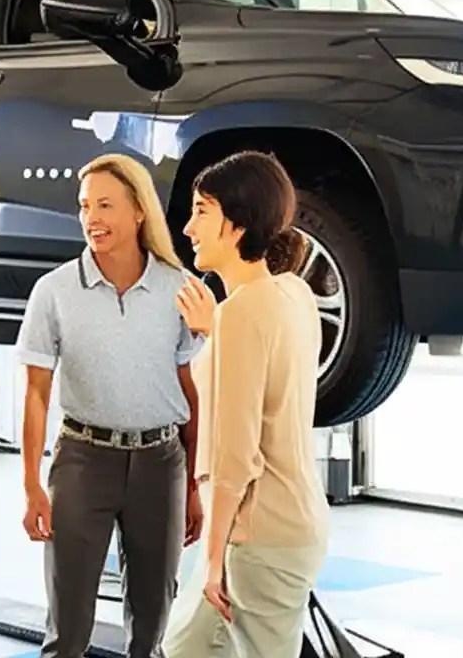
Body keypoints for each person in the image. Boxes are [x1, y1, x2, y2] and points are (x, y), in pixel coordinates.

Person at [16, 152, 205, 658]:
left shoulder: (181, 288)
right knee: (68, 630)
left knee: (151, 630)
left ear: (139, 210)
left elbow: (193, 392)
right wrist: (32, 482)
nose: (91, 218)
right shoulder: (53, 291)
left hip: (161, 464)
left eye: (105, 205)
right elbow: (36, 393)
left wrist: (193, 484)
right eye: (84, 206)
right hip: (81, 461)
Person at [162, 150, 330, 657]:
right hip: (290, 523)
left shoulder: (238, 315)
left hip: (256, 538)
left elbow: (236, 456)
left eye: (201, 211)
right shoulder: (293, 294)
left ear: (237, 225)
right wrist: (214, 331)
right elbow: (269, 382)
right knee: (183, 648)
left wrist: (213, 563)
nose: (188, 227)